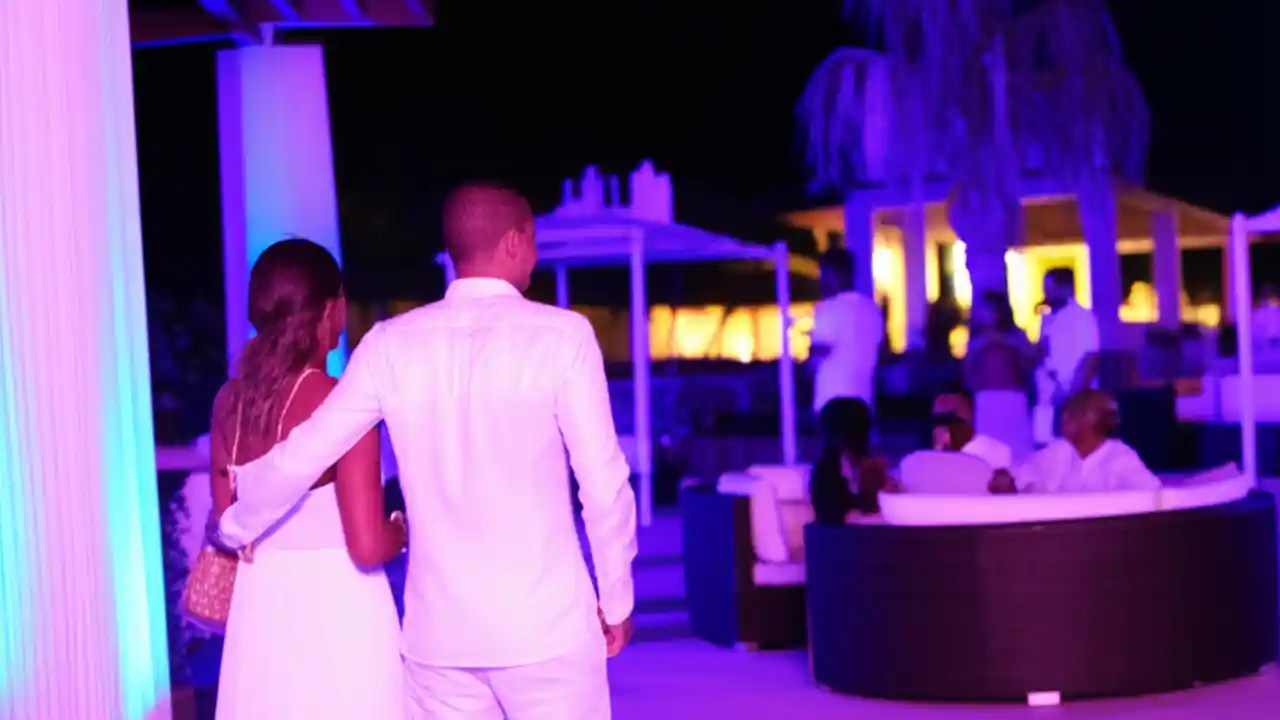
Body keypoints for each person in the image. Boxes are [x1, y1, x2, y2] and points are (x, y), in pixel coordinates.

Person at [218, 183, 638, 719]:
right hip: (546, 630)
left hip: (439, 641)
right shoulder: (562, 337)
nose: (534, 254)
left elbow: (304, 453)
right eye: (532, 240)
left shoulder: (390, 343)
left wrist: (236, 525)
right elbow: (603, 482)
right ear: (513, 242)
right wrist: (617, 598)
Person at [211, 239, 406, 719]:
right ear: (330, 309)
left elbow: (228, 519)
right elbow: (366, 544)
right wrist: (401, 530)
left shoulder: (228, 401)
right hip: (340, 608)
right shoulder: (340, 400)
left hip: (261, 608)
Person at [989, 389, 1160, 494]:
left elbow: (1151, 497)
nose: (1064, 418)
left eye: (1074, 412)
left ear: (1093, 418)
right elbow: (1021, 475)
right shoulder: (1058, 451)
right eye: (1065, 412)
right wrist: (1008, 481)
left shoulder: (1121, 457)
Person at [809, 245, 884, 415]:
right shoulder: (871, 309)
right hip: (864, 399)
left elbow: (818, 353)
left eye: (823, 274)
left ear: (834, 274)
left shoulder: (827, 308)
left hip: (832, 401)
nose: (821, 280)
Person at [965, 291, 1035, 460]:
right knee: (988, 446)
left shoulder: (1016, 335)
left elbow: (1030, 358)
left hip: (1012, 396)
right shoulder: (975, 338)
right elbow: (968, 368)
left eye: (988, 310)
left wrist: (1007, 342)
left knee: (1016, 446)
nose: (984, 314)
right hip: (987, 397)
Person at [1035, 268, 1100, 437]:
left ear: (1066, 288)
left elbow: (1091, 356)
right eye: (1046, 288)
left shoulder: (1082, 317)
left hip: (1073, 393)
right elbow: (1043, 353)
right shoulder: (1048, 319)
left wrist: (1074, 392)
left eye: (1052, 288)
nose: (1047, 293)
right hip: (1049, 394)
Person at [809, 397, 891, 524]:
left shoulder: (870, 466)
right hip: (843, 538)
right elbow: (830, 517)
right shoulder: (826, 470)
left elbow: (878, 507)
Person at [931, 391, 1013, 471]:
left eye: (952, 418)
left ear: (971, 416)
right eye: (939, 420)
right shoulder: (928, 459)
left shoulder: (996, 452)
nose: (945, 427)